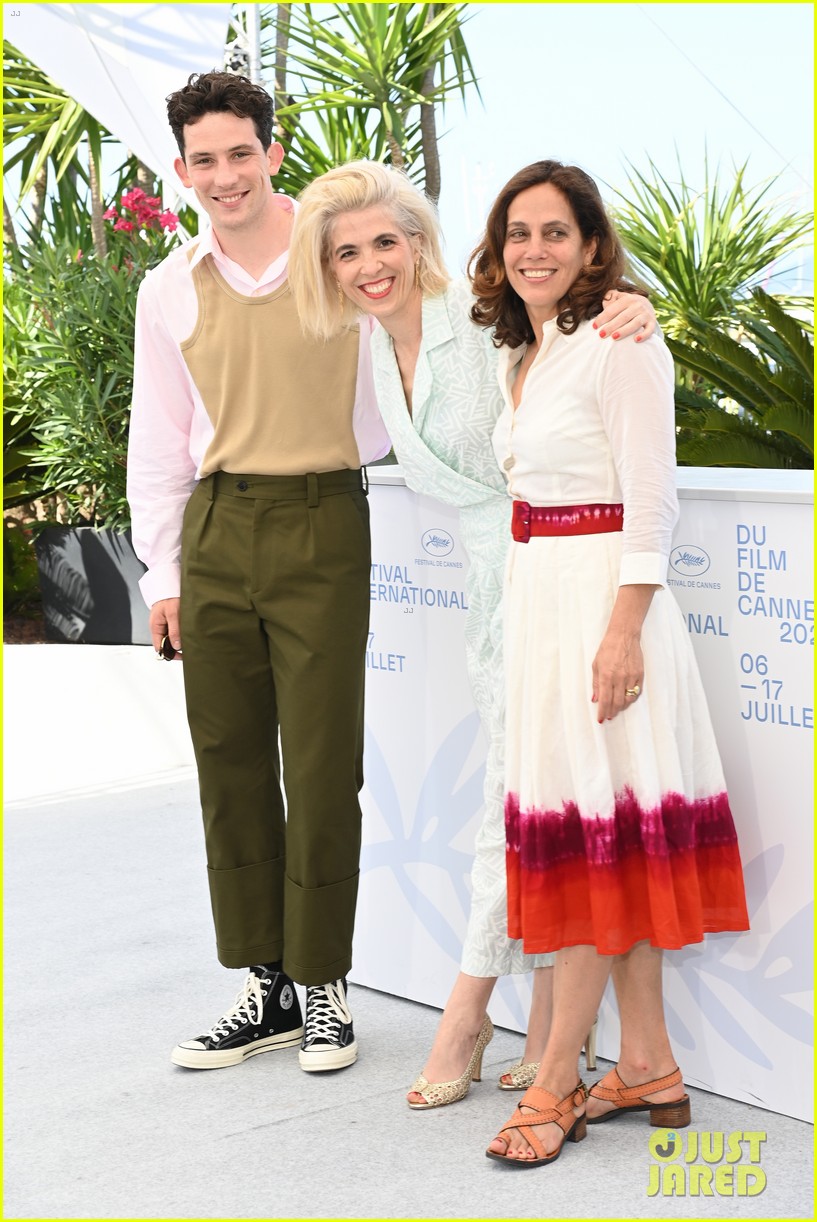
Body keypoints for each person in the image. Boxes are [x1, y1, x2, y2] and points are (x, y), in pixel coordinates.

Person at [288, 160, 657, 1106]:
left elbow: (573, 352)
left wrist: (634, 306)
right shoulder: (376, 345)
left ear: (419, 242)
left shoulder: (474, 315)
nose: (371, 266)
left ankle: (467, 1010)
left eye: (386, 242)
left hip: (548, 573)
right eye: (347, 253)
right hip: (489, 584)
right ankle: (548, 1035)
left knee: (519, 797)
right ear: (326, 271)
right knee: (525, 797)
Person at [463, 161, 750, 1166]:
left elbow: (651, 495)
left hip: (603, 613)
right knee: (607, 833)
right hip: (545, 605)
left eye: (554, 231)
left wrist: (622, 628)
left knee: (589, 839)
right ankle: (649, 1063)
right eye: (515, 233)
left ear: (592, 246)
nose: (532, 249)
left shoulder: (619, 343)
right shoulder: (526, 352)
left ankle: (554, 1084)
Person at [126, 73, 391, 1075]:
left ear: (274, 153)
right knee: (229, 763)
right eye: (205, 160)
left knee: (323, 764)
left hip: (323, 517)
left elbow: (434, 329)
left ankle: (327, 984)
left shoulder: (337, 258)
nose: (225, 176)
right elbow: (156, 444)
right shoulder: (169, 286)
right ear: (184, 170)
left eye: (242, 153)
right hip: (218, 525)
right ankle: (267, 982)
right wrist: (166, 574)